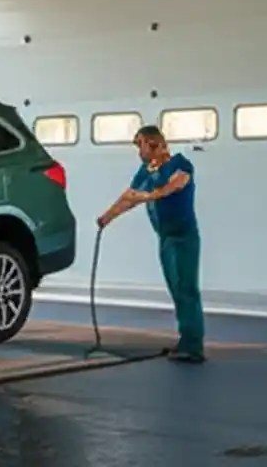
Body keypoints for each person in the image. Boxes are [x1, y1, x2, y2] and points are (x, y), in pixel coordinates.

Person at [96, 125, 205, 363]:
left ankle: (193, 345)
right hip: (165, 238)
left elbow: (177, 184)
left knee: (186, 289)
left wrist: (149, 195)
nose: (139, 151)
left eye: (141, 145)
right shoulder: (146, 171)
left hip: (183, 238)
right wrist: (107, 217)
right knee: (176, 289)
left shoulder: (180, 164)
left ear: (155, 144)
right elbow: (129, 197)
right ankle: (186, 339)